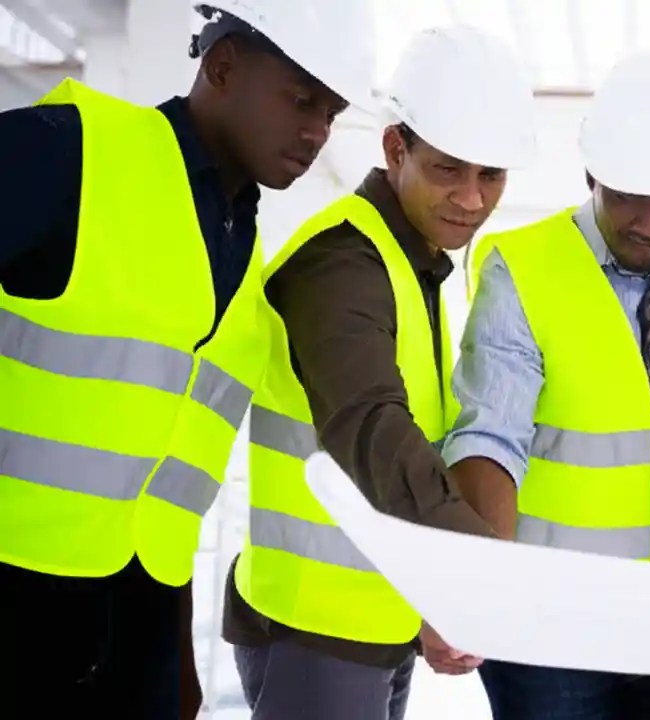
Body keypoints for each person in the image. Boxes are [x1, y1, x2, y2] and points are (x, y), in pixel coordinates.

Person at [0, 1, 372, 717]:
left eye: (332, 113)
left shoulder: (240, 240)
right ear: (223, 66)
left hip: (139, 629)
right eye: (302, 101)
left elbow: (164, 469)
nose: (316, 133)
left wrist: (173, 653)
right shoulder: (73, 148)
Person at [221, 25, 536, 720]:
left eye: (491, 175)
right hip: (314, 629)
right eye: (450, 169)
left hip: (372, 622)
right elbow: (373, 425)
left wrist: (434, 593)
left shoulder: (409, 260)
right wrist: (477, 576)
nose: (473, 199)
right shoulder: (342, 264)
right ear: (397, 148)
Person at [443, 52, 650, 720]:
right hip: (549, 631)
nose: (647, 220)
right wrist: (479, 585)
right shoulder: (521, 267)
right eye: (625, 196)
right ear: (590, 173)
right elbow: (488, 437)